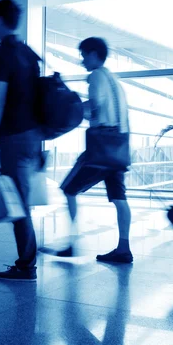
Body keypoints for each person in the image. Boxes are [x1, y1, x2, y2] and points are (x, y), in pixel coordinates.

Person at [41, 37, 133, 263]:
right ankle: (124, 248)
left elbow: (94, 107)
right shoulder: (115, 80)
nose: (82, 60)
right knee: (120, 198)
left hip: (100, 147)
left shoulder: (96, 76)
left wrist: (66, 109)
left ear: (93, 54)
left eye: (84, 55)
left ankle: (72, 244)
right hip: (118, 146)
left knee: (69, 189)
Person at [0, 0, 43, 282]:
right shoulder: (29, 54)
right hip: (32, 137)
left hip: (14, 138)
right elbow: (37, 102)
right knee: (20, 200)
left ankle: (26, 265)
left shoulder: (3, 53)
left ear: (1, 20)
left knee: (17, 203)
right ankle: (26, 261)